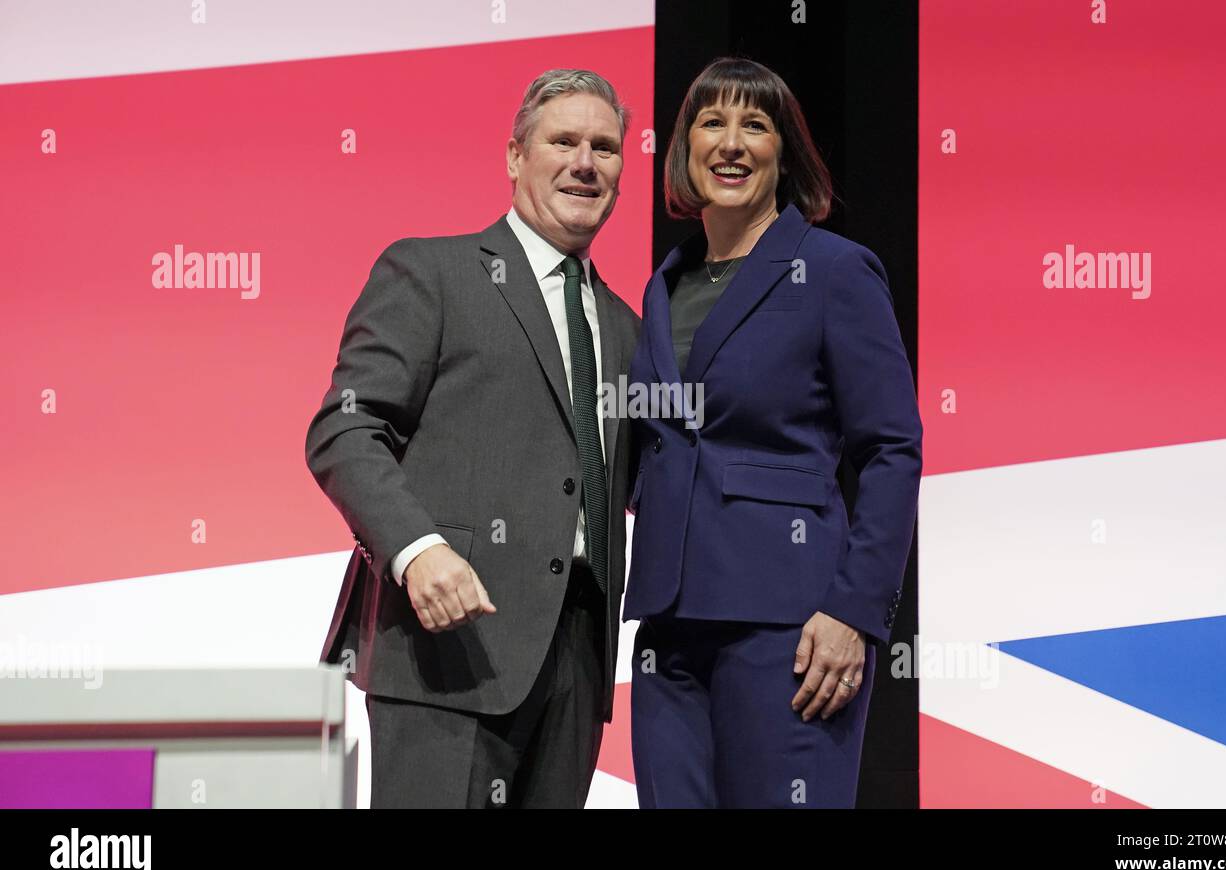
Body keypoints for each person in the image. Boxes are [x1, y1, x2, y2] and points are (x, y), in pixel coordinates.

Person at [305, 69, 641, 808]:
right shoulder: (433, 271)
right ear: (515, 157)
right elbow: (345, 427)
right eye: (563, 141)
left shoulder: (624, 327)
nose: (586, 162)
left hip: (576, 670)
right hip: (445, 654)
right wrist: (417, 552)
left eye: (606, 147)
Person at [623, 57, 923, 808]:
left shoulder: (833, 271)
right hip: (669, 629)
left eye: (754, 125)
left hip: (790, 628)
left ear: (783, 151)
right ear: (684, 148)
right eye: (711, 122)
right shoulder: (665, 283)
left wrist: (855, 611)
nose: (730, 143)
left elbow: (892, 450)